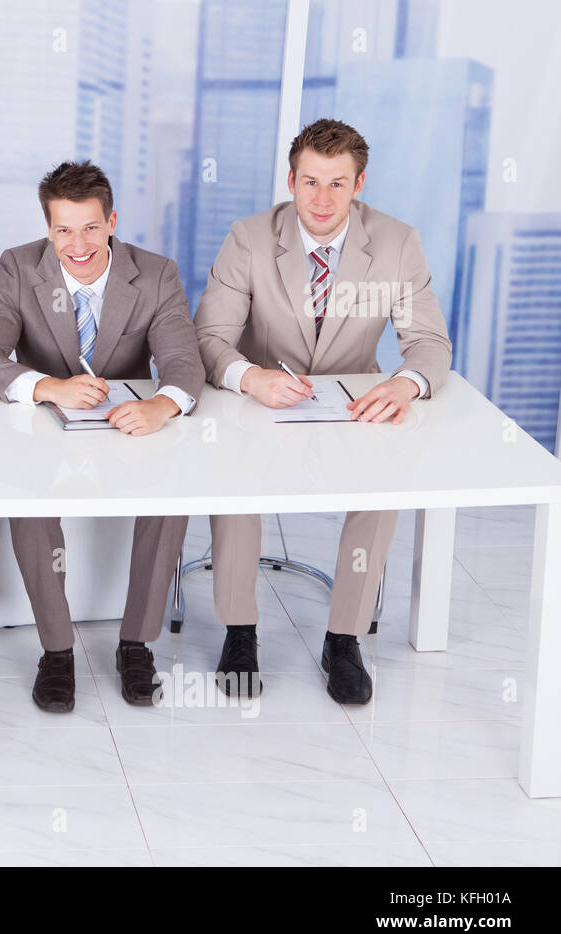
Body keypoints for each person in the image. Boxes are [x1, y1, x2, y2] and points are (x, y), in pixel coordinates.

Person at [193, 118, 452, 705]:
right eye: (310, 182)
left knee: (382, 487)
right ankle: (240, 630)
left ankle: (345, 637)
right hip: (258, 408)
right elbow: (208, 336)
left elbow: (429, 343)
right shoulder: (250, 237)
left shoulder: (397, 241)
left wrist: (406, 384)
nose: (321, 198)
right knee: (238, 484)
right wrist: (249, 375)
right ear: (291, 179)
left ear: (359, 183)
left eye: (337, 183)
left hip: (352, 409)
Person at [0, 161, 204, 712]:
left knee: (173, 500)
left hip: (129, 428)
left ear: (111, 221)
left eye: (91, 227)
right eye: (64, 229)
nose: (78, 243)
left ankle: (137, 643)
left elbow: (185, 360)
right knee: (29, 501)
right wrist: (48, 386)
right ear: (48, 229)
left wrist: (163, 405)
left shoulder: (157, 273)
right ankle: (57, 650)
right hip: (48, 428)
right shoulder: (19, 268)